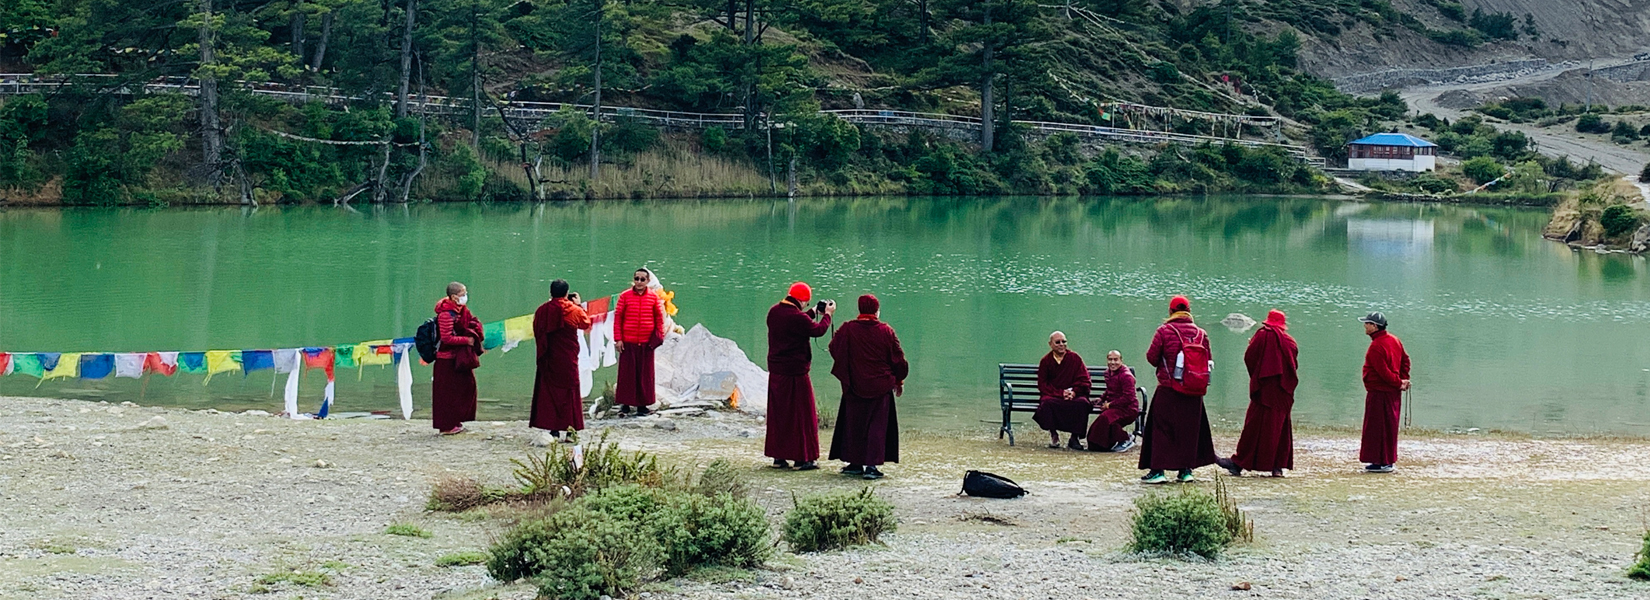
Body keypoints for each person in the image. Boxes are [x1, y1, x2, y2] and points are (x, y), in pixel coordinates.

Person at [1138, 295, 1218, 484]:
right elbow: (1208, 360)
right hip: (1194, 390)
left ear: (1171, 311)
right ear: (1189, 311)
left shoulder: (1164, 331)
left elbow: (1152, 357)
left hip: (1169, 388)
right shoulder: (1201, 334)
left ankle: (1158, 471)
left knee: (1161, 429)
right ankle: (1185, 471)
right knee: (1188, 431)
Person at [827, 294, 908, 480]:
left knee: (854, 424)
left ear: (860, 309)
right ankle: (871, 467)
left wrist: (848, 371)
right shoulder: (886, 331)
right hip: (880, 386)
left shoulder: (848, 329)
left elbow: (833, 347)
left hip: (854, 385)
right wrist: (899, 380)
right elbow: (898, 359)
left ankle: (854, 464)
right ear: (876, 310)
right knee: (876, 426)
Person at [1218, 310, 1299, 477]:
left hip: (1264, 390)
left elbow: (1250, 357)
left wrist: (1257, 375)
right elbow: (1292, 366)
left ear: (1268, 322)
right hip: (1283, 392)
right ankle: (1277, 467)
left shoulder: (1263, 335)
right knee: (1280, 428)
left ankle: (1238, 463)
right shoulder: (1290, 342)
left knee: (1254, 426)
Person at [765, 282, 835, 470]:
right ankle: (804, 458)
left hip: (777, 371)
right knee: (803, 417)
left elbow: (796, 322)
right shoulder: (796, 318)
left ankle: (779, 457)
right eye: (807, 302)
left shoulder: (774, 312)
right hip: (795, 372)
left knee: (780, 415)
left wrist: (812, 312)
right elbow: (817, 330)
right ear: (802, 300)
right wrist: (827, 316)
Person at [531, 279, 592, 441]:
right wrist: (579, 305)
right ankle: (571, 432)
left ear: (550, 292)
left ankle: (554, 430)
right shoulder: (574, 310)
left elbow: (537, 330)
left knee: (550, 392)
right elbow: (585, 324)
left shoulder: (542, 310)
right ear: (567, 293)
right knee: (570, 391)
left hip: (549, 357)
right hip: (567, 357)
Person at [1358, 312, 1410, 473]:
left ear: (1374, 326)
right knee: (1388, 426)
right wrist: (1403, 380)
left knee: (1378, 427)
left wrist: (1398, 382)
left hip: (1381, 392)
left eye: (1367, 323)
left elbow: (1383, 372)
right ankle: (1383, 460)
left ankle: (1383, 462)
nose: (1364, 326)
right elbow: (1406, 361)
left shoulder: (1377, 346)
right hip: (1392, 392)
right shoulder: (1394, 340)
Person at [432, 282, 484, 435]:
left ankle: (457, 420)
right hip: (446, 360)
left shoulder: (461, 311)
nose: (465, 296)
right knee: (447, 394)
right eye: (463, 294)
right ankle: (446, 426)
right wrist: (466, 340)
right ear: (454, 297)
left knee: (465, 388)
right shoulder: (445, 314)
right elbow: (446, 338)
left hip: (460, 359)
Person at [614, 268, 666, 417]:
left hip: (646, 343)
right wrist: (618, 339)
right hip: (628, 342)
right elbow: (618, 318)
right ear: (633, 280)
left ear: (648, 281)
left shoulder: (653, 298)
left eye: (643, 279)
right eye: (637, 279)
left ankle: (642, 406)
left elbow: (659, 320)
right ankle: (625, 405)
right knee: (627, 375)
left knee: (645, 375)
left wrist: (658, 337)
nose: (639, 282)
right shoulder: (624, 296)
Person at [1033, 331, 1092, 450]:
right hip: (1054, 395)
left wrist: (1074, 392)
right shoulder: (1046, 361)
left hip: (1073, 394)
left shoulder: (1075, 358)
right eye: (1058, 342)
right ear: (1050, 344)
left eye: (1064, 342)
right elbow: (1043, 385)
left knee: (1083, 404)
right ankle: (1054, 435)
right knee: (1047, 404)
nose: (1061, 344)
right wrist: (1060, 393)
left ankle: (1074, 438)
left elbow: (1085, 380)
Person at [1087, 350, 1141, 453]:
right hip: (1114, 407)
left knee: (1104, 418)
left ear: (1121, 360)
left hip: (1128, 409)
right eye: (1110, 359)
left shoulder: (1126, 376)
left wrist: (1109, 405)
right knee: (1107, 423)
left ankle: (1125, 439)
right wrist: (1102, 399)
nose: (1113, 362)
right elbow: (1110, 389)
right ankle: (1099, 445)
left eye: (1116, 359)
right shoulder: (1108, 373)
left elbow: (1128, 398)